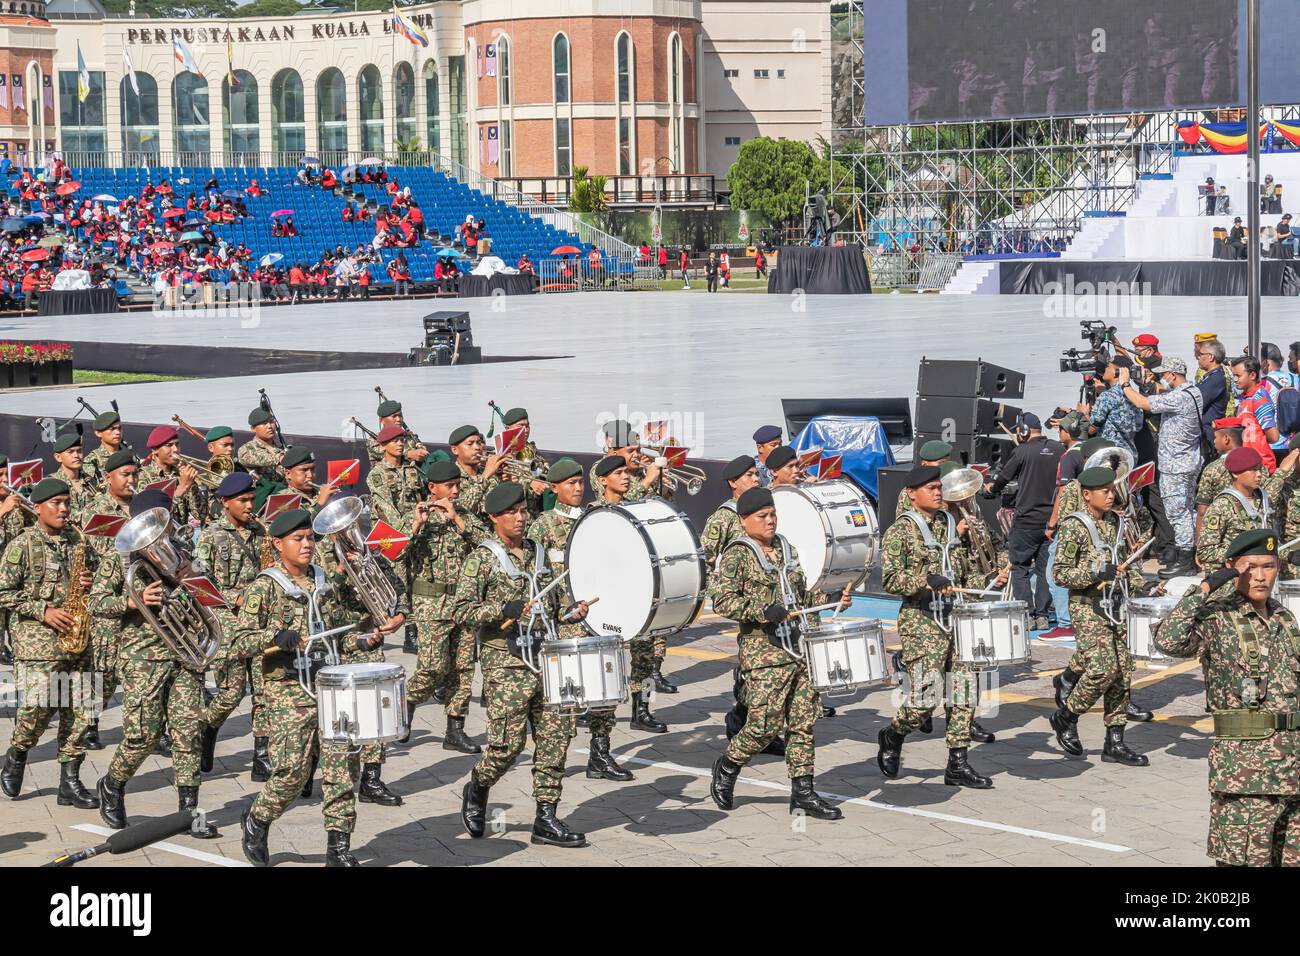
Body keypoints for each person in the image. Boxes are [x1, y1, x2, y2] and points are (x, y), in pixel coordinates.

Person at [234, 509, 381, 867]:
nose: (306, 545)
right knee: (292, 773)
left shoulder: (322, 580)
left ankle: (338, 848)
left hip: (329, 684)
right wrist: (274, 636)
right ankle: (258, 819)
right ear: (277, 544)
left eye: (310, 538)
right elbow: (237, 641)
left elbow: (335, 636)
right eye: (297, 539)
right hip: (287, 690)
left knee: (343, 768)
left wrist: (360, 643)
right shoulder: (265, 586)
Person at [455, 482, 591, 847]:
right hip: (507, 664)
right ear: (494, 518)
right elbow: (461, 612)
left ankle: (546, 818)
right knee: (506, 746)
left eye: (523, 511)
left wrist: (572, 613)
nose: (520, 518)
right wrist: (501, 610)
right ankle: (478, 785)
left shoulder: (540, 554)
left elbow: (556, 606)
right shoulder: (481, 559)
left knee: (555, 740)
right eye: (511, 513)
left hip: (546, 660)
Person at [1156, 529, 1300, 866]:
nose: (1261, 576)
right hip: (1245, 776)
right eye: (1250, 568)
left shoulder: (1284, 618)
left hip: (1291, 771)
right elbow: (1168, 640)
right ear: (1232, 569)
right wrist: (1205, 588)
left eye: (1269, 566)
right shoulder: (1216, 618)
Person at [708, 487, 848, 818]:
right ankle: (728, 766)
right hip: (764, 653)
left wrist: (829, 601)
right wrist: (762, 609)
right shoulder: (737, 555)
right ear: (744, 521)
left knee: (803, 722)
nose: (770, 521)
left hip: (797, 648)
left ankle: (803, 791)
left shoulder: (786, 548)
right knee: (763, 726)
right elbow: (722, 601)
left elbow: (800, 595)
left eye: (773, 515)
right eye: (762, 516)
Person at [92, 489, 220, 836]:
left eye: (164, 521)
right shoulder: (119, 557)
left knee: (187, 732)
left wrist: (190, 577)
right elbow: (97, 602)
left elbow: (211, 593)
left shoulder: (182, 551)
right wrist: (134, 601)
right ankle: (113, 784)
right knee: (142, 735)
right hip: (143, 656)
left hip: (185, 649)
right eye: (154, 522)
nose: (163, 529)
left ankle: (189, 813)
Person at [878, 465, 1005, 788]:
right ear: (912, 494)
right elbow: (891, 579)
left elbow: (963, 574)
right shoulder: (901, 531)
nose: (938, 492)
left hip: (956, 618)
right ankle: (893, 734)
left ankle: (957, 762)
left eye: (939, 487)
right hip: (922, 621)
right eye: (931, 488)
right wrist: (925, 581)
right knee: (925, 696)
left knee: (964, 690)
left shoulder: (949, 524)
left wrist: (989, 580)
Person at [527, 458, 635, 782]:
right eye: (570, 484)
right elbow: (534, 580)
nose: (577, 488)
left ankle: (600, 754)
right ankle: (549, 754)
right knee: (570, 696)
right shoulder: (542, 527)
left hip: (598, 617)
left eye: (579, 482)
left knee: (606, 687)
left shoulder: (593, 519)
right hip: (563, 623)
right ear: (554, 488)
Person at [0, 478, 99, 811]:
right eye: (56, 503)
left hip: (78, 637)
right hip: (38, 642)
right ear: (38, 507)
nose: (63, 508)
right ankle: (17, 753)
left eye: (66, 502)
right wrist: (43, 610)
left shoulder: (79, 540)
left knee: (84, 710)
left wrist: (90, 582)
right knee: (37, 708)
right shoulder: (22, 544)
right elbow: (3, 592)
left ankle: (69, 781)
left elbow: (101, 578)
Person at [1047, 466, 1151, 767]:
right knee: (1102, 669)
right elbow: (1060, 573)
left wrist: (1146, 586)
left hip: (1115, 605)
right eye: (1104, 491)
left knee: (1122, 672)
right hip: (1087, 606)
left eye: (1112, 489)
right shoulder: (1074, 527)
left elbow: (1124, 566)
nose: (1111, 494)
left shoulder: (1113, 523)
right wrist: (1094, 573)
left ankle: (1115, 741)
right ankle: (1066, 716)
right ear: (1086, 494)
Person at [399, 458, 488, 754]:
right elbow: (394, 553)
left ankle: (455, 728)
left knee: (462, 669)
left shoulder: (464, 515)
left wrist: (458, 520)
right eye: (449, 486)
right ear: (432, 487)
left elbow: (488, 545)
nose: (455, 491)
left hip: (463, 604)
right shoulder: (415, 516)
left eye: (457, 485)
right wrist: (416, 525)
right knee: (432, 667)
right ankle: (406, 707)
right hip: (431, 604)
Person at [590, 454, 671, 730]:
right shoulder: (593, 514)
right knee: (604, 662)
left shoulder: (637, 509)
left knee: (646, 660)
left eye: (627, 472)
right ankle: (597, 713)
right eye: (619, 473)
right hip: (605, 598)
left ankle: (643, 709)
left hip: (636, 595)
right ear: (603, 480)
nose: (626, 477)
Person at [195, 472, 267, 776]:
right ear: (226, 503)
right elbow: (198, 584)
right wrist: (234, 598)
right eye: (243, 501)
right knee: (231, 692)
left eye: (252, 499)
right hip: (227, 620)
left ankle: (263, 755)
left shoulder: (261, 533)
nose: (250, 505)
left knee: (265, 689)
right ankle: (207, 726)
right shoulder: (212, 536)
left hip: (259, 621)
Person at [1120, 357, 1203, 576]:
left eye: (1162, 374)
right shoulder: (1193, 392)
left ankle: (1185, 561)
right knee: (1186, 510)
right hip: (1187, 460)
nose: (1161, 378)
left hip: (1176, 464)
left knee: (1178, 514)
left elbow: (1142, 403)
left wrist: (1125, 384)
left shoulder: (1178, 398)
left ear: (1172, 375)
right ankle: (1189, 556)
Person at [984, 413, 1063, 630]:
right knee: (1044, 569)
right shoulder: (1058, 449)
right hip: (1051, 522)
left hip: (1026, 520)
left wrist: (990, 489)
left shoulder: (1021, 451)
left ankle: (1027, 614)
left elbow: (1002, 479)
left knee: (1019, 568)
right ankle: (1043, 615)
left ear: (1023, 430)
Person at [1197, 446, 1299, 571]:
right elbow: (1205, 550)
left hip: (1259, 577)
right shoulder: (1221, 506)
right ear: (1235, 474)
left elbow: (1265, 543)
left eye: (1260, 470)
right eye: (1253, 470)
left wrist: (1288, 554)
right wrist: (1243, 555)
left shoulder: (1262, 500)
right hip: (1232, 581)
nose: (1259, 475)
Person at [1084, 355, 1143, 459]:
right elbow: (1138, 425)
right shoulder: (1134, 396)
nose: (1105, 369)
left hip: (1110, 455)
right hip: (1129, 455)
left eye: (1108, 367)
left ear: (1117, 373)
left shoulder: (1107, 396)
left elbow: (1092, 429)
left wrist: (1084, 414)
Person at [1231, 355, 1281, 471]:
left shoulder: (1259, 400)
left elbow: (1273, 437)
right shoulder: (1244, 398)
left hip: (1260, 465)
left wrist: (1257, 440)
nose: (1235, 379)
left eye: (1238, 375)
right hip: (1247, 462)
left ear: (1252, 375)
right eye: (1234, 375)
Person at [448, 424, 504, 518]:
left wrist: (508, 480)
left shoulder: (491, 474)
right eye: (470, 444)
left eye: (478, 443)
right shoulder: (450, 477)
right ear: (455, 450)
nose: (477, 447)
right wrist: (485, 476)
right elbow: (461, 507)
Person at [1195, 338, 1231, 445]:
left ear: (1210, 357)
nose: (1198, 357)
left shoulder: (1216, 379)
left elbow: (1195, 401)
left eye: (1200, 354)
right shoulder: (1210, 376)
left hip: (1208, 435)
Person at [81, 409, 126, 495]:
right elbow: (91, 491)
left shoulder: (129, 455)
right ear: (98, 433)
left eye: (119, 428)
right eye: (112, 429)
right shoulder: (92, 461)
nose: (117, 432)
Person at [237, 406, 286, 485]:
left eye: (271, 421)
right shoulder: (246, 449)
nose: (269, 426)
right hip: (262, 493)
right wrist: (280, 458)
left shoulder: (282, 447)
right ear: (253, 428)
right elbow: (259, 458)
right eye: (264, 423)